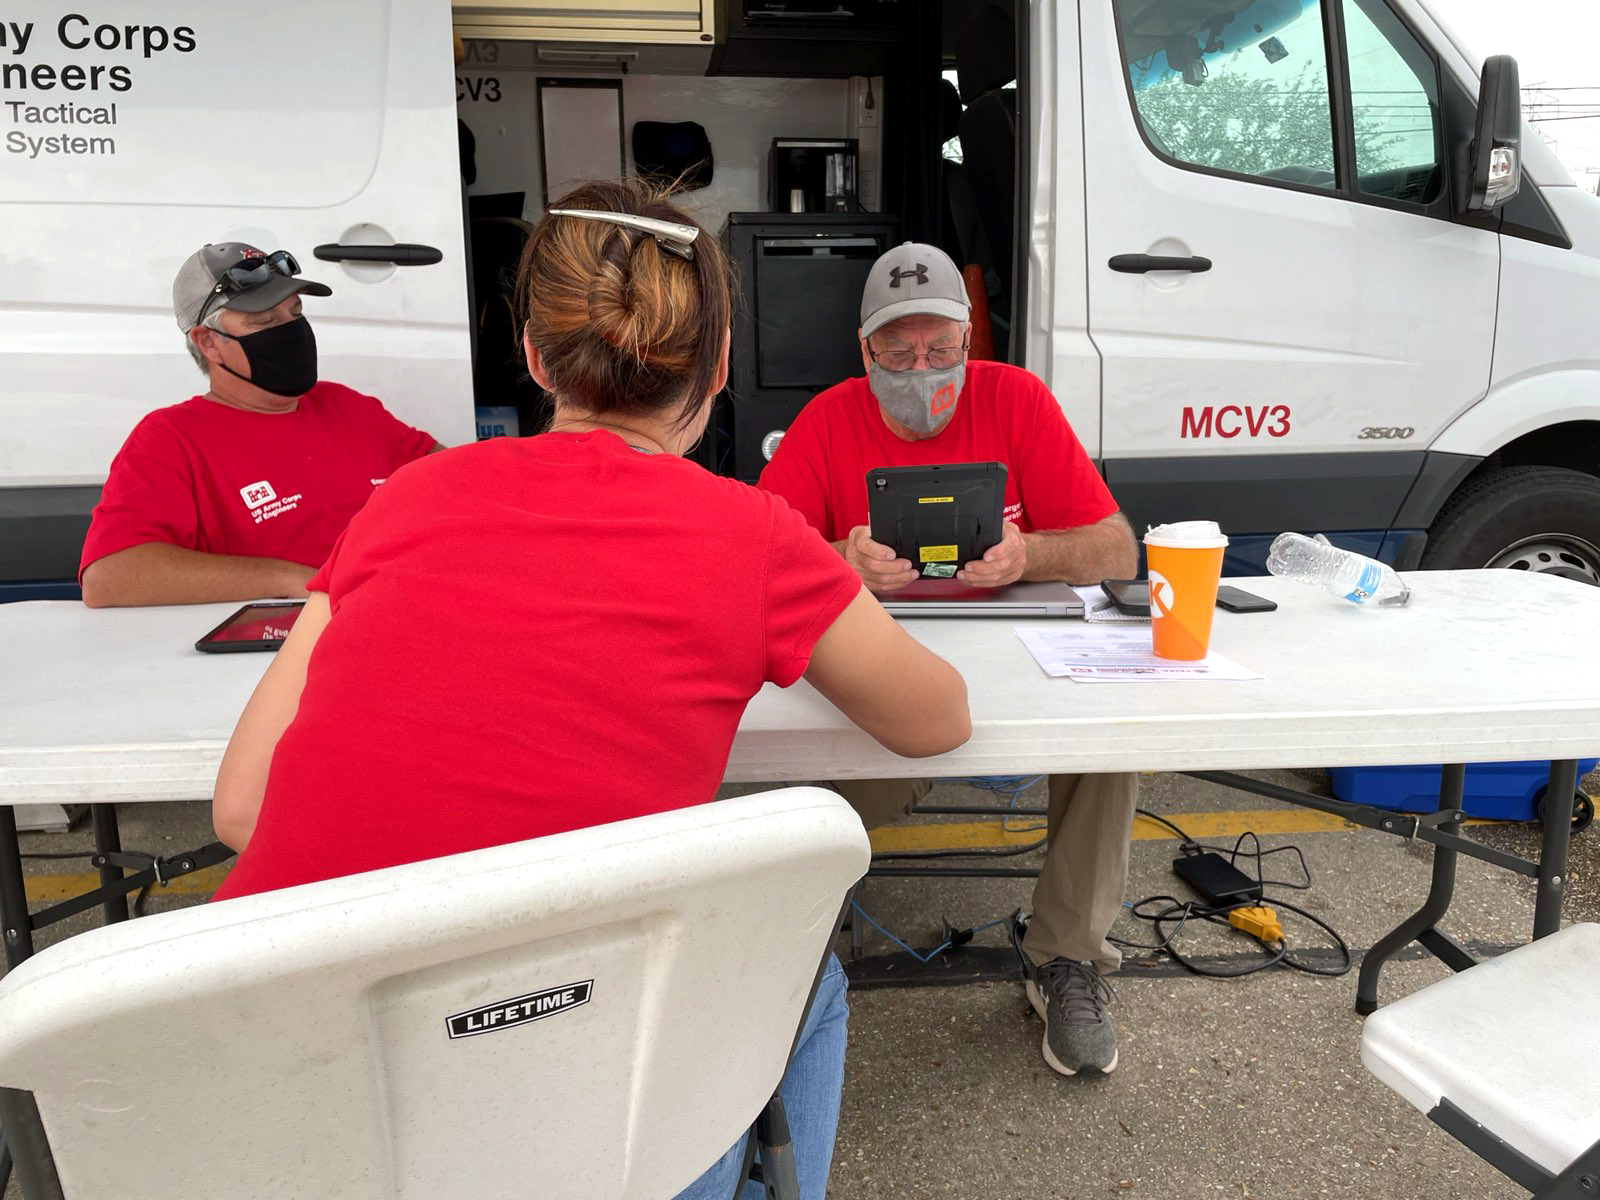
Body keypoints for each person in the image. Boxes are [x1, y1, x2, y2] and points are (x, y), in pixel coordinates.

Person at [208, 184, 972, 1200]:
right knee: (803, 971)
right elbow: (936, 719)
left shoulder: (407, 503)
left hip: (289, 1099)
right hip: (569, 1116)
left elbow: (242, 810)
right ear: (721, 362)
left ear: (532, 358)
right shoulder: (749, 537)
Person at [758, 241, 1141, 1079]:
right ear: (866, 352)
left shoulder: (1018, 399)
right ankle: (780, 945)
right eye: (898, 354)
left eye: (939, 350)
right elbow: (747, 558)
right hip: (885, 661)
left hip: (1018, 642)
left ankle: (1066, 956)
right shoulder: (828, 419)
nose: (920, 371)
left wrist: (1028, 557)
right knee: (799, 806)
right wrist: (837, 557)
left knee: (1111, 734)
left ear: (973, 341)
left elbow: (1117, 549)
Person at [77, 243, 443, 608]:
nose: (290, 332)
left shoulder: (344, 405)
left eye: (295, 314)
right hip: (289, 643)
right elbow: (109, 576)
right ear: (208, 342)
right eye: (265, 322)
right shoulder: (171, 438)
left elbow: (453, 477)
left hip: (399, 612)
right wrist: (293, 579)